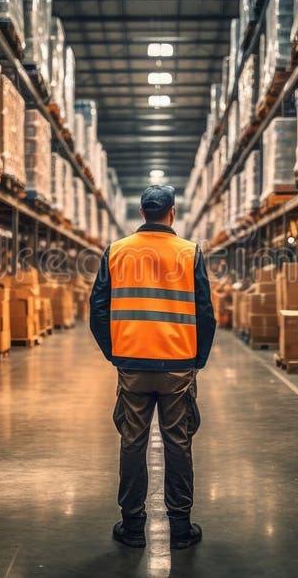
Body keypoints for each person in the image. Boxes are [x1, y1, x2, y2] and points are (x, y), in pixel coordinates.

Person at [89, 184, 216, 550]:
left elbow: (97, 310)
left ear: (142, 213)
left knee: (132, 442)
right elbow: (205, 312)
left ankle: (132, 528)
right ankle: (180, 528)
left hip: (132, 363)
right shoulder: (189, 252)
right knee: (178, 443)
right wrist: (198, 359)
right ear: (171, 212)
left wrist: (115, 352)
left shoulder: (117, 251)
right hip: (178, 365)